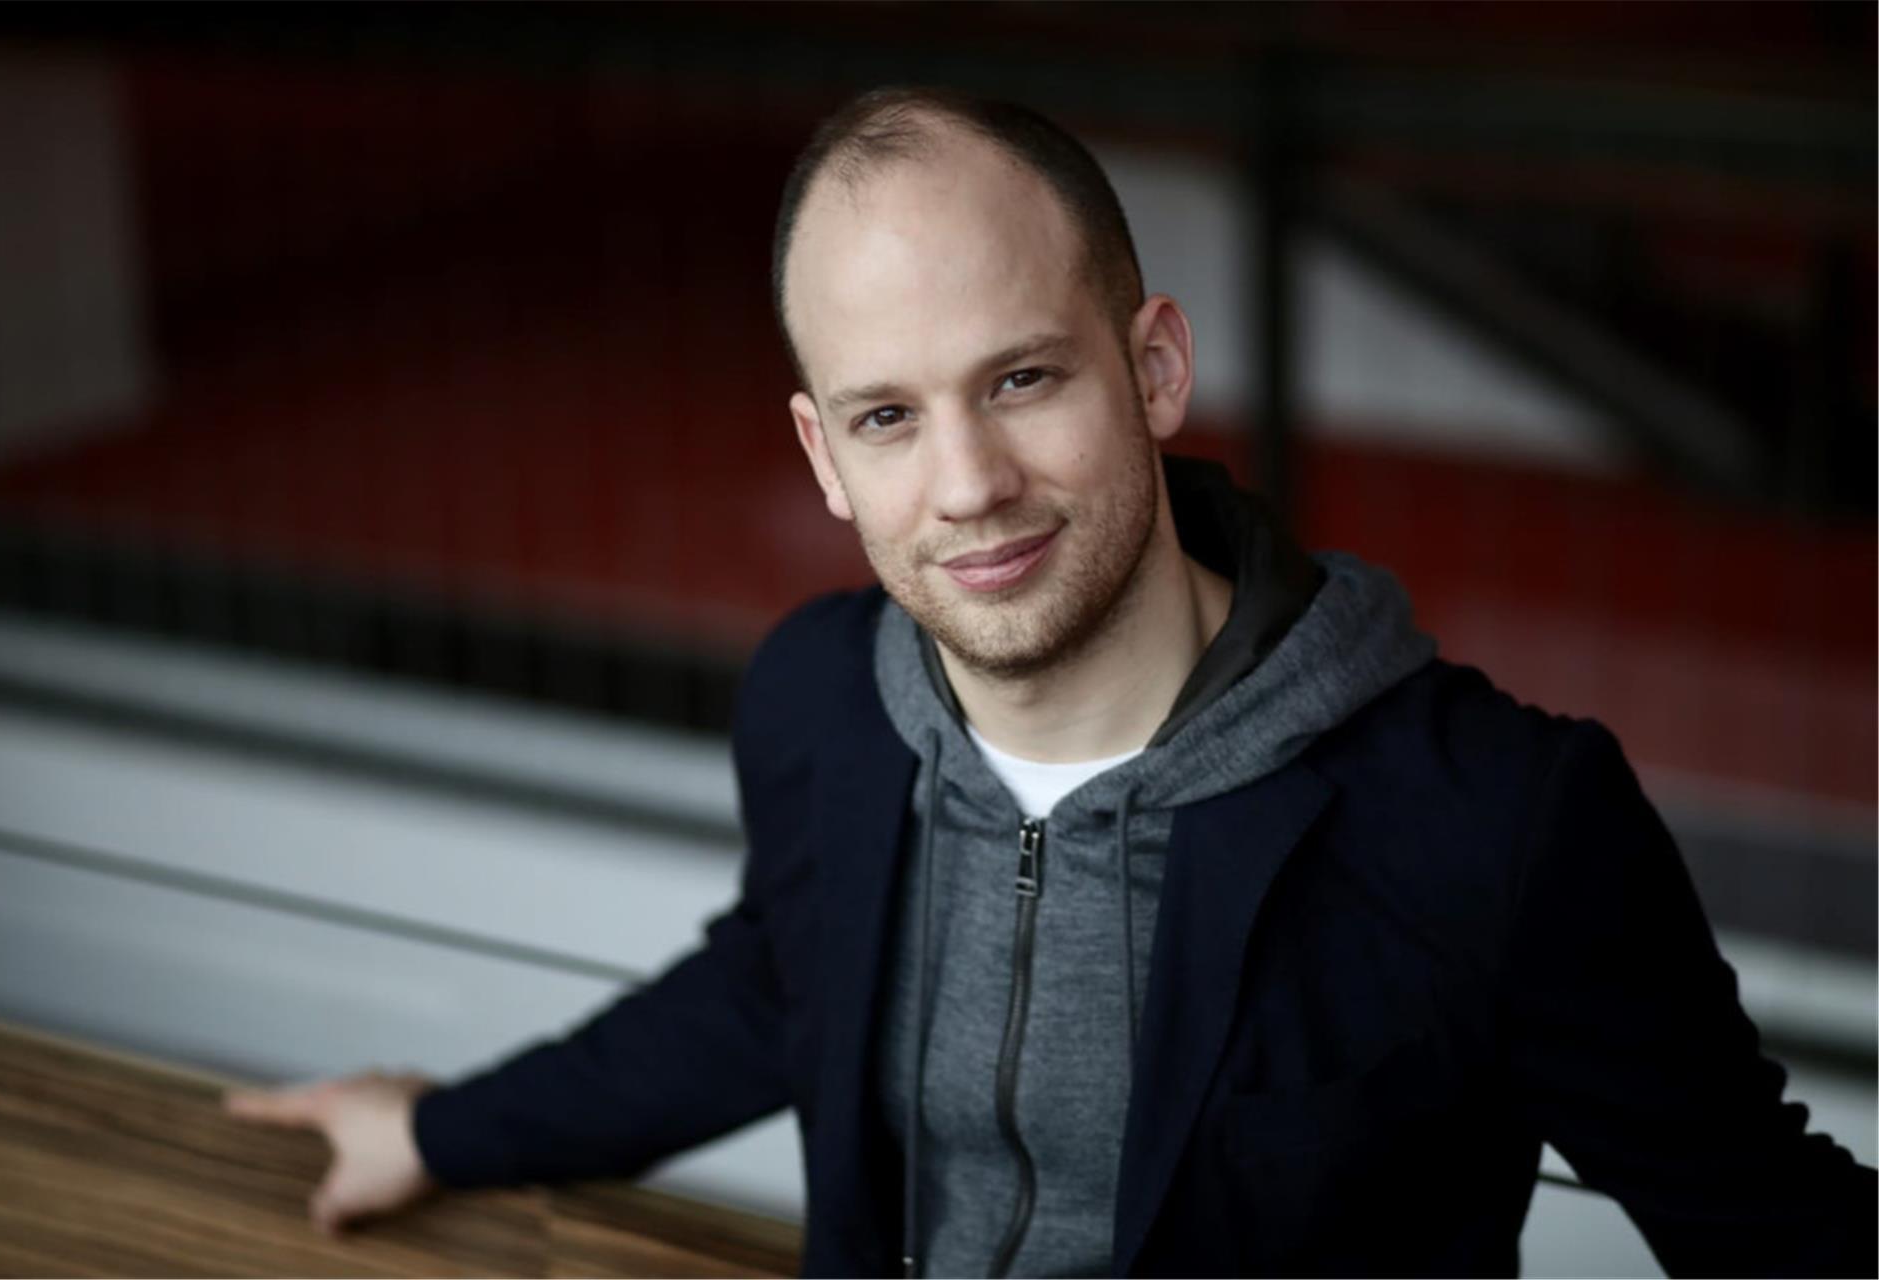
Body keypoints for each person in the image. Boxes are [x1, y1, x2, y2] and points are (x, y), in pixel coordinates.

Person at [225, 87, 1876, 1277]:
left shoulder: (1494, 824)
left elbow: (1776, 1234)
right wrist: (439, 1132)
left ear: (1155, 367)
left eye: (1022, 379)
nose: (967, 486)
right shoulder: (820, 703)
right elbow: (775, 988)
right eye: (888, 416)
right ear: (821, 455)